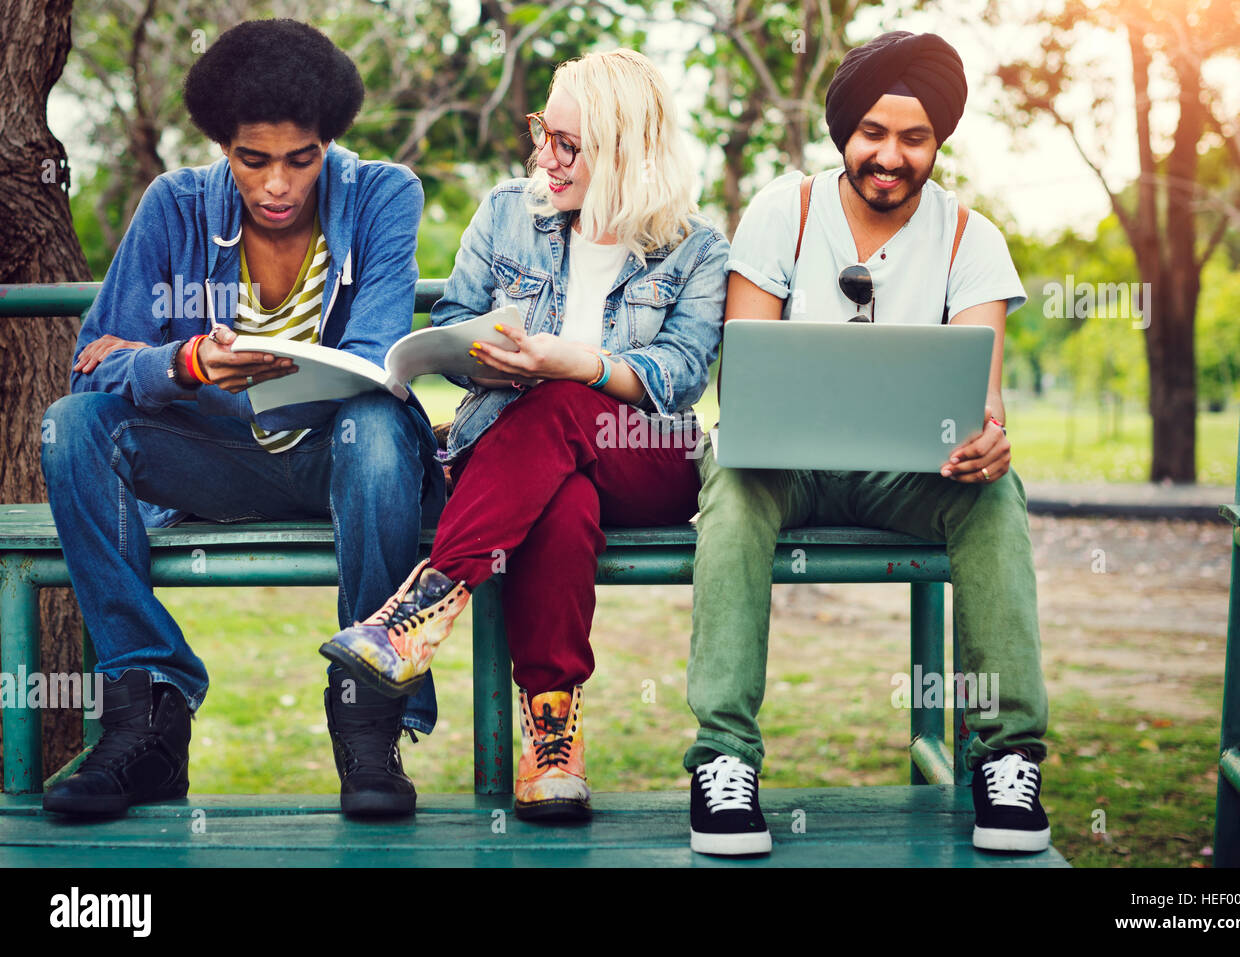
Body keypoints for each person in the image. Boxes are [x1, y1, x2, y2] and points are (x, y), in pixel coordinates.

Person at [40, 19, 443, 819]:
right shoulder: (175, 205)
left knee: (373, 426)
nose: (278, 186)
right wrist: (186, 362)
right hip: (221, 459)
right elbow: (96, 356)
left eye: (302, 158)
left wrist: (194, 365)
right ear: (222, 148)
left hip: (349, 457)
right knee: (72, 426)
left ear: (328, 143)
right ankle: (147, 712)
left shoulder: (383, 195)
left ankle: (368, 715)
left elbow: (374, 355)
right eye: (252, 160)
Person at [320, 48, 727, 821]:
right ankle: (552, 733)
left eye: (566, 142)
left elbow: (678, 375)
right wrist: (487, 363)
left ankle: (424, 606)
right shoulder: (509, 209)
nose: (544, 155)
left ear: (623, 148)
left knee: (566, 403)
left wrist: (569, 361)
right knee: (562, 499)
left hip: (645, 458)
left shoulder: (698, 247)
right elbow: (450, 321)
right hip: (513, 458)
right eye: (544, 132)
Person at [683, 31, 1051, 856]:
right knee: (734, 482)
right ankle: (724, 762)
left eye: (914, 138)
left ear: (938, 141)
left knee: (997, 490)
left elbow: (981, 399)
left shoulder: (971, 238)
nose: (890, 156)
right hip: (784, 467)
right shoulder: (786, 210)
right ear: (844, 132)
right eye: (874, 134)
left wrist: (989, 442)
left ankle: (1006, 758)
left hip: (908, 475)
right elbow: (743, 372)